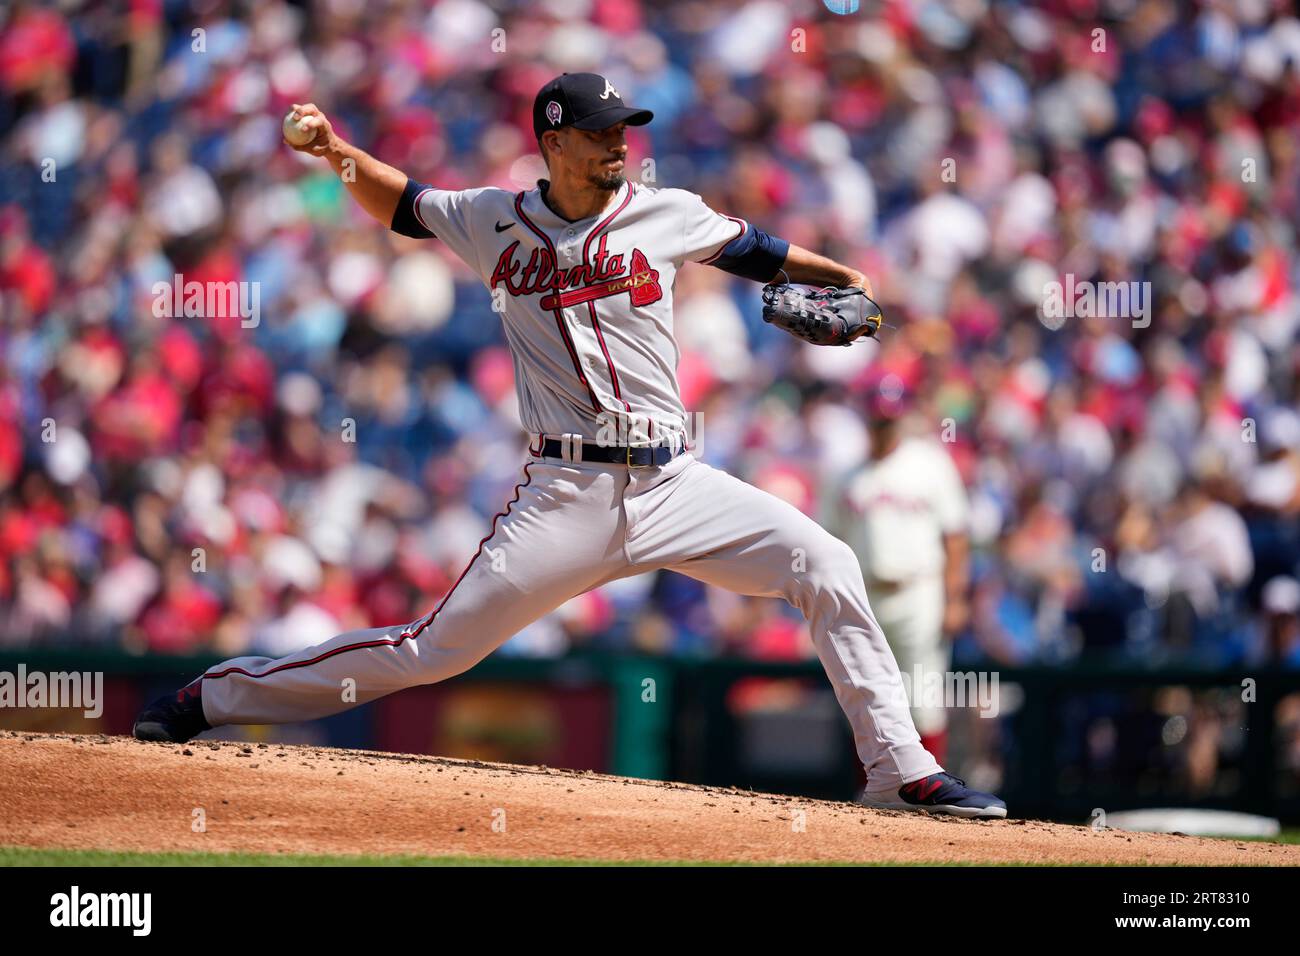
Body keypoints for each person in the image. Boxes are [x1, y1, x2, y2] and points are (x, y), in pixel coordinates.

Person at [133, 73, 1005, 818]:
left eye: (624, 130)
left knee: (826, 562)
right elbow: (403, 203)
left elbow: (764, 252)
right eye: (601, 132)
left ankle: (900, 771)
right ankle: (212, 696)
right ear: (555, 142)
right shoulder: (493, 220)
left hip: (676, 483)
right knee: (431, 651)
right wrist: (334, 152)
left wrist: (849, 282)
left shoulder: (667, 215)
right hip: (565, 491)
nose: (619, 144)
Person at [835, 385, 971, 765]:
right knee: (866, 701)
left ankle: (930, 797)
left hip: (919, 591)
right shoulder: (847, 474)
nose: (883, 427)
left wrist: (956, 598)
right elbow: (827, 539)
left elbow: (956, 536)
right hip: (864, 595)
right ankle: (869, 797)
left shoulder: (929, 462)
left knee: (923, 699)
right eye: (877, 420)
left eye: (889, 420)